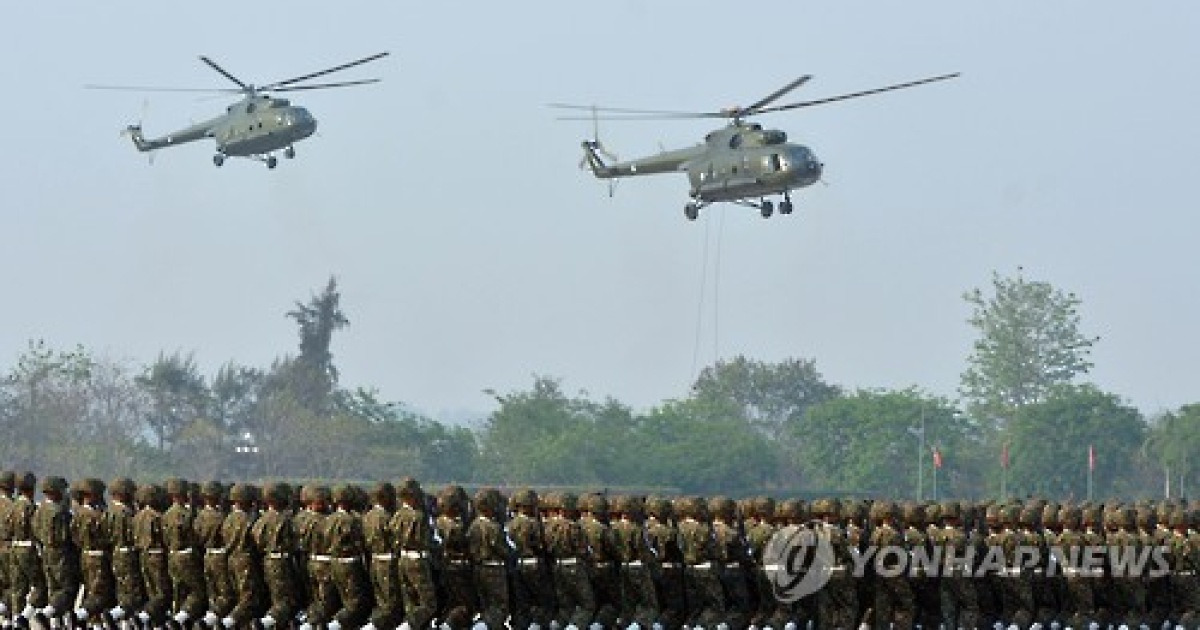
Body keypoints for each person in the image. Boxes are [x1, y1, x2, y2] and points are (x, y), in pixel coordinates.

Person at [391, 477, 439, 630]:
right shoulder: (419, 516)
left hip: (403, 559)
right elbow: (425, 541)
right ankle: (407, 626)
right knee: (428, 603)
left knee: (411, 601)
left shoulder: (397, 515)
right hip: (417, 560)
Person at [252, 482, 300, 629]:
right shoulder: (286, 519)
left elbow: (257, 541)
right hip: (282, 561)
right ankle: (265, 623)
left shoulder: (261, 520)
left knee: (275, 596)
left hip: (268, 560)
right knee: (286, 600)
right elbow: (294, 542)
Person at [34, 476, 80, 628]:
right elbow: (67, 535)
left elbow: (35, 529)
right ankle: (48, 613)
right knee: (67, 588)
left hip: (46, 551)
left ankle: (56, 622)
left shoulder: (41, 509)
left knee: (53, 588)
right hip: (61, 552)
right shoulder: (60, 511)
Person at [609, 495, 659, 630]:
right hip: (638, 566)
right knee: (649, 603)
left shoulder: (614, 528)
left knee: (629, 602)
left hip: (624, 566)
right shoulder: (636, 529)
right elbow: (642, 549)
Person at [325, 485, 372, 629]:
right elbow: (361, 542)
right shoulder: (351, 520)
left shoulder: (329, 519)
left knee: (343, 599)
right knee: (355, 602)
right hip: (349, 563)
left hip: (334, 562)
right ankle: (333, 625)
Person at [506, 488, 553, 630]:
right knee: (543, 601)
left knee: (522, 603)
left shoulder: (511, 524)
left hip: (518, 564)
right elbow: (540, 544)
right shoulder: (533, 523)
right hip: (534, 564)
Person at [70, 478, 115, 626]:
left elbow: (74, 537)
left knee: (91, 590)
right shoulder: (97, 515)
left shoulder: (77, 514)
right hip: (98, 556)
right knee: (100, 593)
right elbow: (108, 536)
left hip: (85, 555)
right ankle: (79, 615)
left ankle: (92, 622)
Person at [221, 483, 265, 629]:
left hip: (231, 559)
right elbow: (257, 541)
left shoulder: (228, 519)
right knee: (248, 598)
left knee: (239, 596)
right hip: (245, 560)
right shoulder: (248, 519)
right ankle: (227, 623)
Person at [468, 488, 512, 630]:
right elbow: (502, 549)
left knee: (486, 605)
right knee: (500, 606)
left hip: (478, 568)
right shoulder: (494, 527)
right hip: (495, 569)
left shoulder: (473, 526)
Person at [361, 482, 401, 630]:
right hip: (387, 562)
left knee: (381, 601)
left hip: (374, 560)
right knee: (391, 603)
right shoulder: (386, 517)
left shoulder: (367, 516)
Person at [133, 484, 173, 629]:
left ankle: (155, 623)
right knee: (162, 593)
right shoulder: (157, 517)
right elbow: (166, 538)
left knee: (151, 592)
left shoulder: (137, 517)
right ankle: (144, 615)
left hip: (143, 555)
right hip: (157, 555)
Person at [195, 481, 233, 627]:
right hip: (220, 556)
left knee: (213, 594)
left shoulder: (199, 517)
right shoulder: (221, 517)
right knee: (226, 595)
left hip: (207, 555)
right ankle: (208, 622)